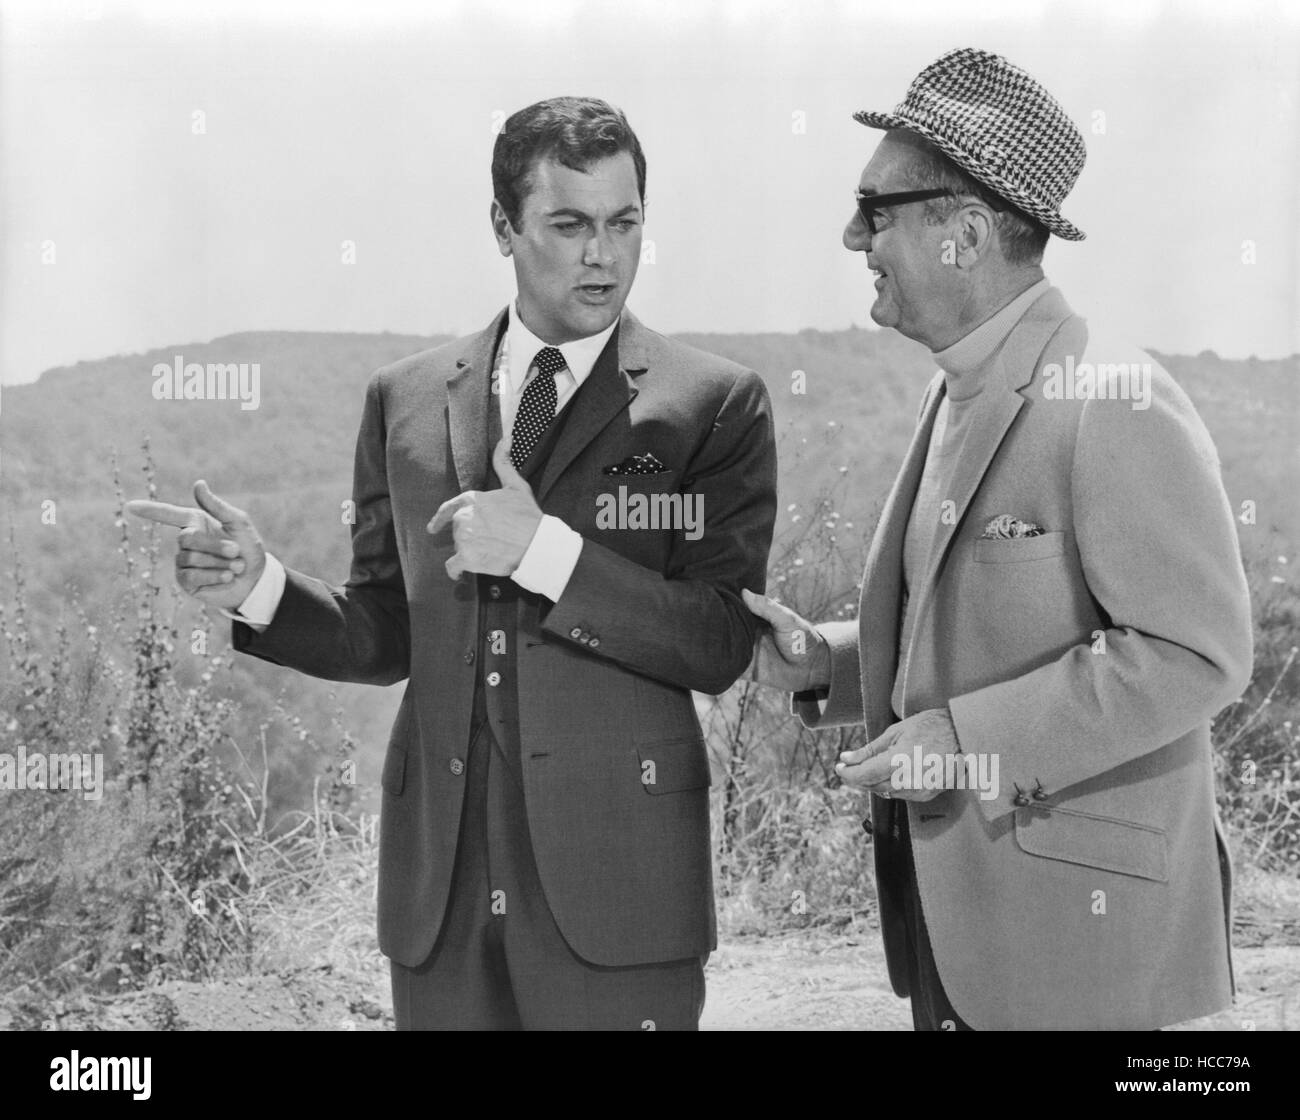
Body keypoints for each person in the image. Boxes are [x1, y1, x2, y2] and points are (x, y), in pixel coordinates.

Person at [128, 96, 777, 1030]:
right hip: (439, 892)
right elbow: (388, 629)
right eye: (569, 224)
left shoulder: (713, 404)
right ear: (503, 227)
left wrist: (548, 554)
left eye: (625, 223)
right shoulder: (405, 398)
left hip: (620, 887)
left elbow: (718, 641)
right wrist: (261, 588)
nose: (604, 254)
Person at [744, 48, 1252, 1031]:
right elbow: (978, 626)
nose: (855, 235)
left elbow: (1198, 654)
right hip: (958, 938)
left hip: (1082, 960)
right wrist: (829, 660)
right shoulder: (959, 388)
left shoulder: (1112, 397)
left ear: (964, 233)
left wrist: (965, 746)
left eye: (876, 208)